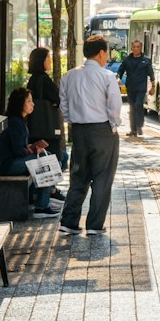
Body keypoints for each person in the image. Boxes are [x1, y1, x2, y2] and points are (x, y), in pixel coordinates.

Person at [59, 33, 122, 236]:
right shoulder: (107, 76)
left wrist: (73, 121)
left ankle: (69, 221)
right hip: (102, 130)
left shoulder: (69, 75)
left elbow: (64, 105)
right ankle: (94, 225)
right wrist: (114, 124)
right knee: (102, 179)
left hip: (78, 131)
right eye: (106, 53)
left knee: (78, 176)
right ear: (102, 53)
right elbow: (114, 104)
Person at [0, 88, 58, 217]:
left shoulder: (17, 120)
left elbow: (18, 147)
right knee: (43, 161)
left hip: (9, 162)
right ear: (20, 103)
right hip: (7, 165)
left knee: (44, 156)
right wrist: (31, 149)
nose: (33, 104)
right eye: (29, 101)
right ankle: (43, 205)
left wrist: (30, 147)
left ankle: (48, 196)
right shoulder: (15, 122)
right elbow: (18, 151)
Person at [25, 47, 67, 200]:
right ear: (40, 61)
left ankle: (50, 192)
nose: (49, 61)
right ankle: (48, 196)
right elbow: (58, 98)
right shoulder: (44, 79)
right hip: (47, 129)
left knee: (52, 159)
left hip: (35, 127)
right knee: (56, 159)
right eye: (47, 58)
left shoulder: (32, 79)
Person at [118, 40, 155, 139]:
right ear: (131, 48)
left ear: (141, 48)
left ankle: (139, 125)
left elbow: (151, 73)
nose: (135, 49)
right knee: (132, 108)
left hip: (141, 88)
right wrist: (118, 78)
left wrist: (153, 86)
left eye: (138, 47)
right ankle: (133, 129)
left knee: (138, 105)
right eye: (134, 47)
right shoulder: (127, 60)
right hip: (130, 87)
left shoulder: (146, 60)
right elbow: (121, 70)